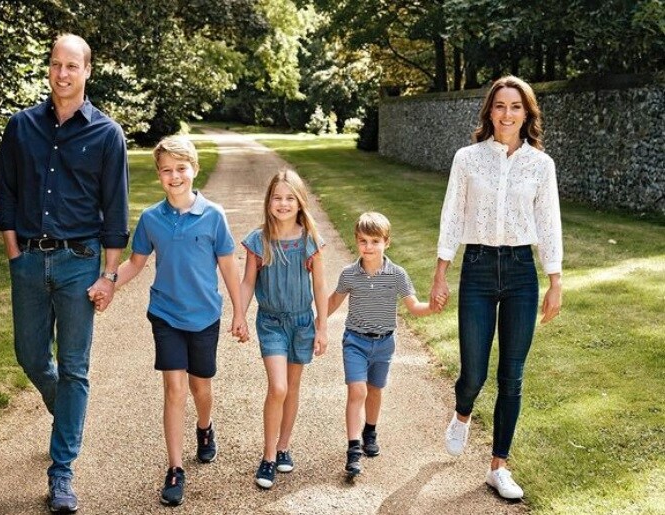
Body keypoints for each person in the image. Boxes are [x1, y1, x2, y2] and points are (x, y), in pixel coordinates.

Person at [0, 34, 129, 513]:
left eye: (73, 65)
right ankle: (65, 415)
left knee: (74, 367)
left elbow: (115, 211)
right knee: (30, 356)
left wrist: (109, 276)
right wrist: (14, 254)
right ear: (49, 69)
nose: (63, 73)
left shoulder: (108, 135)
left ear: (88, 71)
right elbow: (5, 195)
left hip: (79, 263)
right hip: (28, 260)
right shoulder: (21, 127)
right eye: (56, 64)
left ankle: (62, 472)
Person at [429, 75, 563, 500]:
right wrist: (440, 272)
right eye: (500, 105)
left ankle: (498, 467)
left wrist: (555, 280)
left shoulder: (541, 165)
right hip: (479, 268)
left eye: (516, 106)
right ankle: (462, 413)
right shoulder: (467, 158)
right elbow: (452, 215)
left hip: (523, 271)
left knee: (513, 375)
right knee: (474, 372)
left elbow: (549, 224)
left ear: (528, 113)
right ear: (489, 111)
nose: (507, 113)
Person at [111, 136, 248, 507]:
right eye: (167, 170)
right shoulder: (151, 219)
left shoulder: (214, 216)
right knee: (174, 388)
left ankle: (205, 428)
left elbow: (229, 267)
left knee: (200, 388)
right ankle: (174, 468)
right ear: (159, 175)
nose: (175, 176)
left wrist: (238, 312)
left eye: (181, 168)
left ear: (195, 169)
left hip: (204, 316)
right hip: (166, 315)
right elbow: (136, 264)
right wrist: (107, 285)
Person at [328, 212, 437, 477]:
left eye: (375, 241)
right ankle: (353, 450)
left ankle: (370, 431)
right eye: (363, 241)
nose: (368, 247)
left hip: (384, 344)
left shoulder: (397, 274)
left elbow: (413, 306)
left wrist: (432, 307)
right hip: (355, 341)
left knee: (374, 391)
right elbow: (332, 302)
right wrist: (316, 324)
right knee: (357, 392)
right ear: (356, 241)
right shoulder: (349, 274)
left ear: (386, 243)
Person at [239, 169, 328, 490]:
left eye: (290, 198)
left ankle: (284, 446)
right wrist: (239, 314)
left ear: (300, 202)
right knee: (277, 387)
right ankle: (267, 457)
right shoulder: (258, 240)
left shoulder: (310, 241)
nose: (283, 203)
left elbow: (319, 285)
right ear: (268, 202)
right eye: (277, 197)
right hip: (271, 322)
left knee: (292, 387)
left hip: (303, 322)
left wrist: (322, 327)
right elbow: (248, 281)